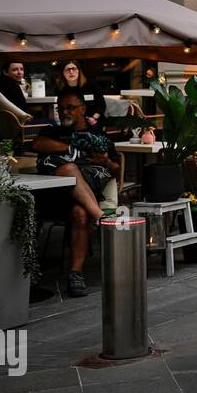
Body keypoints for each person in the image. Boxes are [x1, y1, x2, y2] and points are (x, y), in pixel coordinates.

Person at [31, 93, 121, 297]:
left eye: (70, 107)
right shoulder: (52, 132)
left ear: (82, 109)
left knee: (81, 213)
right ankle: (101, 217)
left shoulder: (99, 137)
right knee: (69, 168)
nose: (64, 112)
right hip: (55, 196)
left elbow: (116, 170)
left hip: (86, 194)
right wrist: (72, 147)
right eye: (60, 108)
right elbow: (36, 144)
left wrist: (105, 161)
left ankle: (75, 273)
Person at [55, 60, 107, 128]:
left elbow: (101, 104)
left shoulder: (91, 85)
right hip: (70, 123)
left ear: (79, 71)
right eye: (68, 69)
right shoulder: (61, 89)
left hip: (93, 122)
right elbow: (61, 108)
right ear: (63, 73)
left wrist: (94, 118)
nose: (71, 72)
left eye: (74, 69)